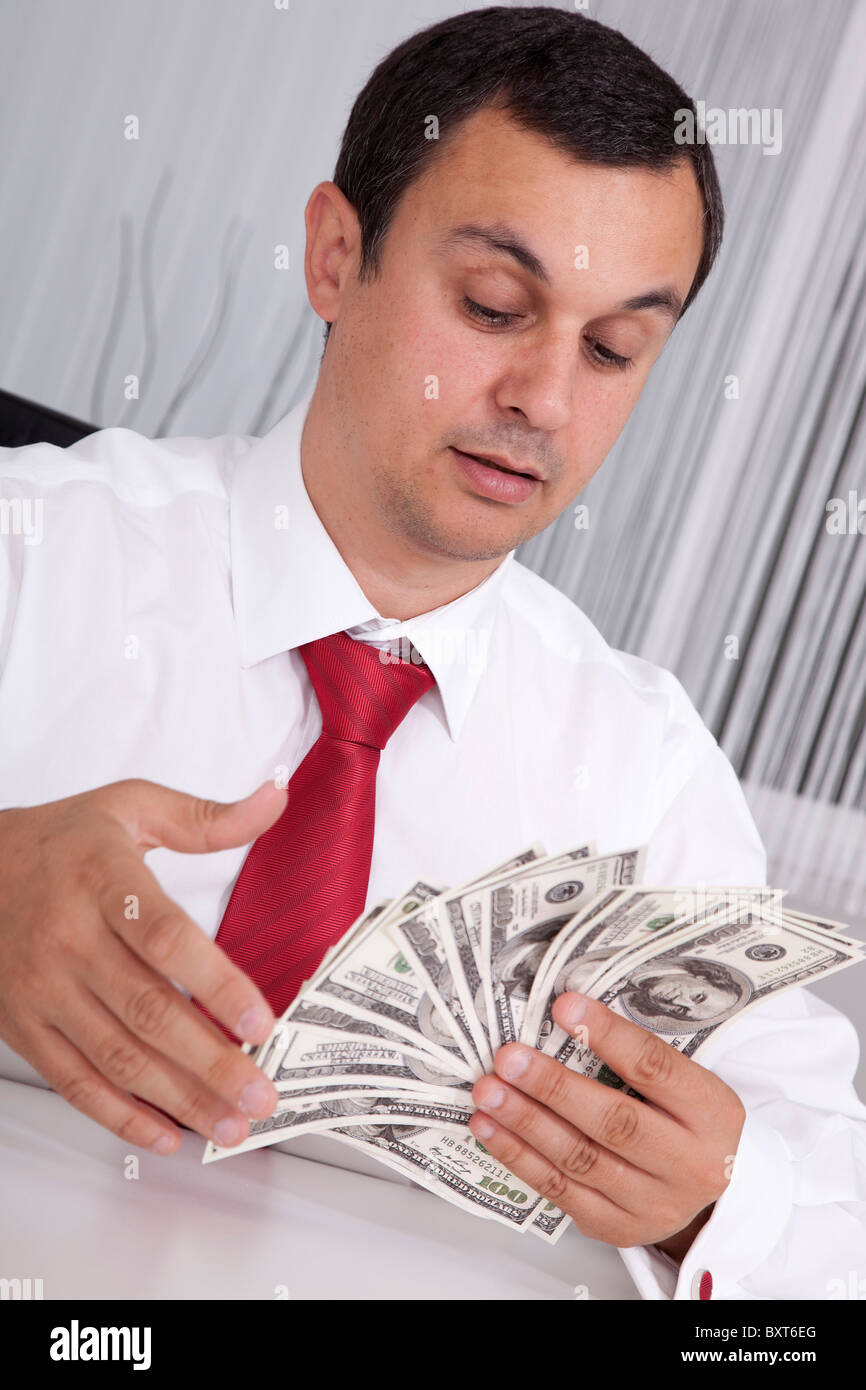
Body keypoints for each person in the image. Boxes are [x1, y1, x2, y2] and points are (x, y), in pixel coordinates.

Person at [0, 5, 863, 1301]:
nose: (545, 400)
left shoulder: (640, 769)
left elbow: (833, 1218)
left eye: (613, 349)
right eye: (493, 305)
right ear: (335, 256)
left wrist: (714, 1204)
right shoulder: (29, 556)